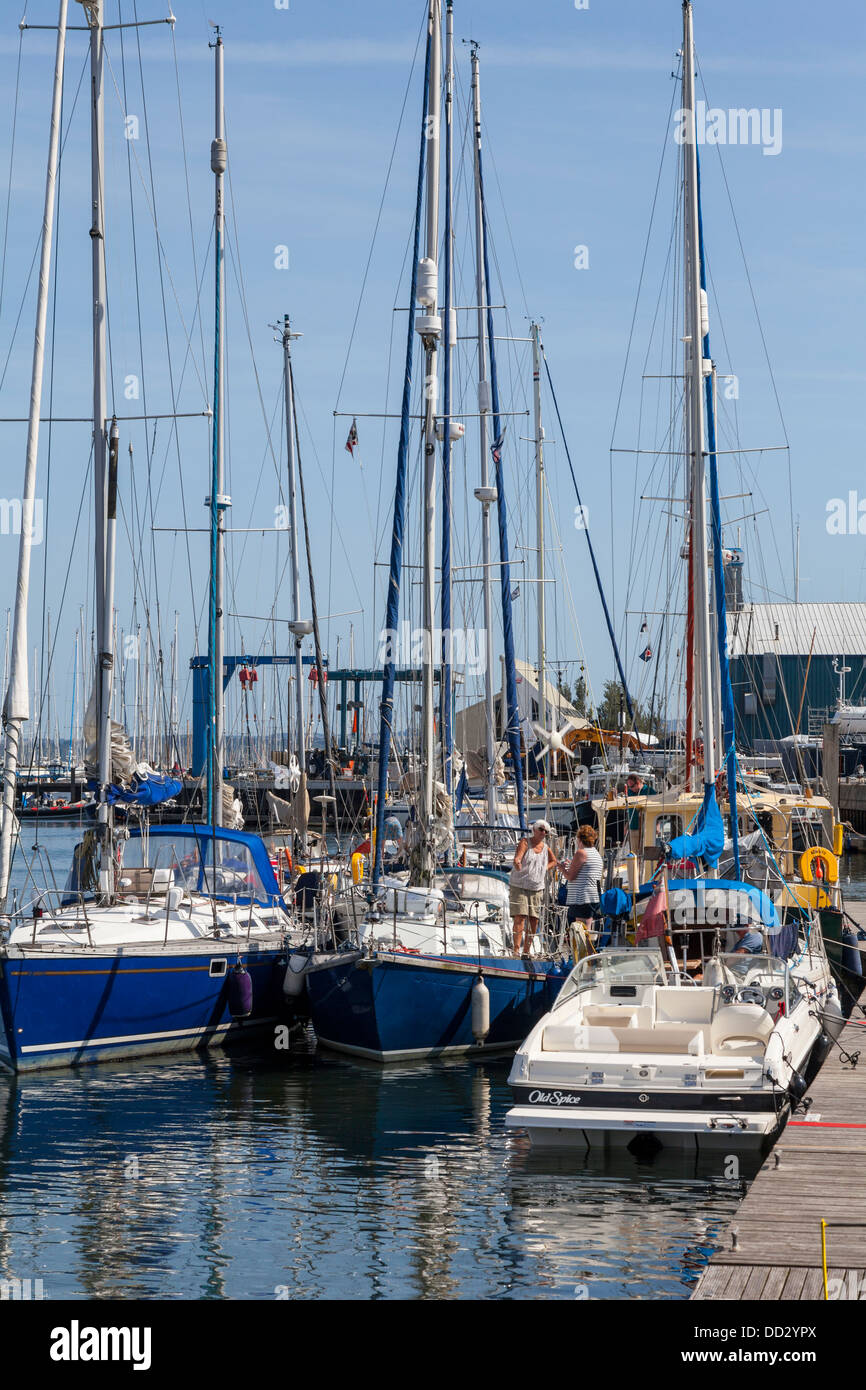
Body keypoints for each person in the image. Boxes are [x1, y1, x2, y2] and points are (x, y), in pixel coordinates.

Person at [509, 819, 557, 957]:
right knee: (520, 917)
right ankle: (516, 951)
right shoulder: (525, 842)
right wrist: (518, 863)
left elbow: (554, 861)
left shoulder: (546, 847)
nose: (543, 833)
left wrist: (544, 869)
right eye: (541, 829)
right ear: (534, 830)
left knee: (534, 919)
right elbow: (518, 857)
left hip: (536, 887)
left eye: (546, 831)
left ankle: (526, 951)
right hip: (520, 885)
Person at [562, 825, 604, 926]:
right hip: (592, 896)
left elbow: (571, 877)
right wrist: (571, 864)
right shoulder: (595, 853)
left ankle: (583, 942)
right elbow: (586, 871)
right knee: (587, 926)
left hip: (581, 896)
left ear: (579, 838)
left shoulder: (581, 853)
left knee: (580, 928)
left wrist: (561, 868)